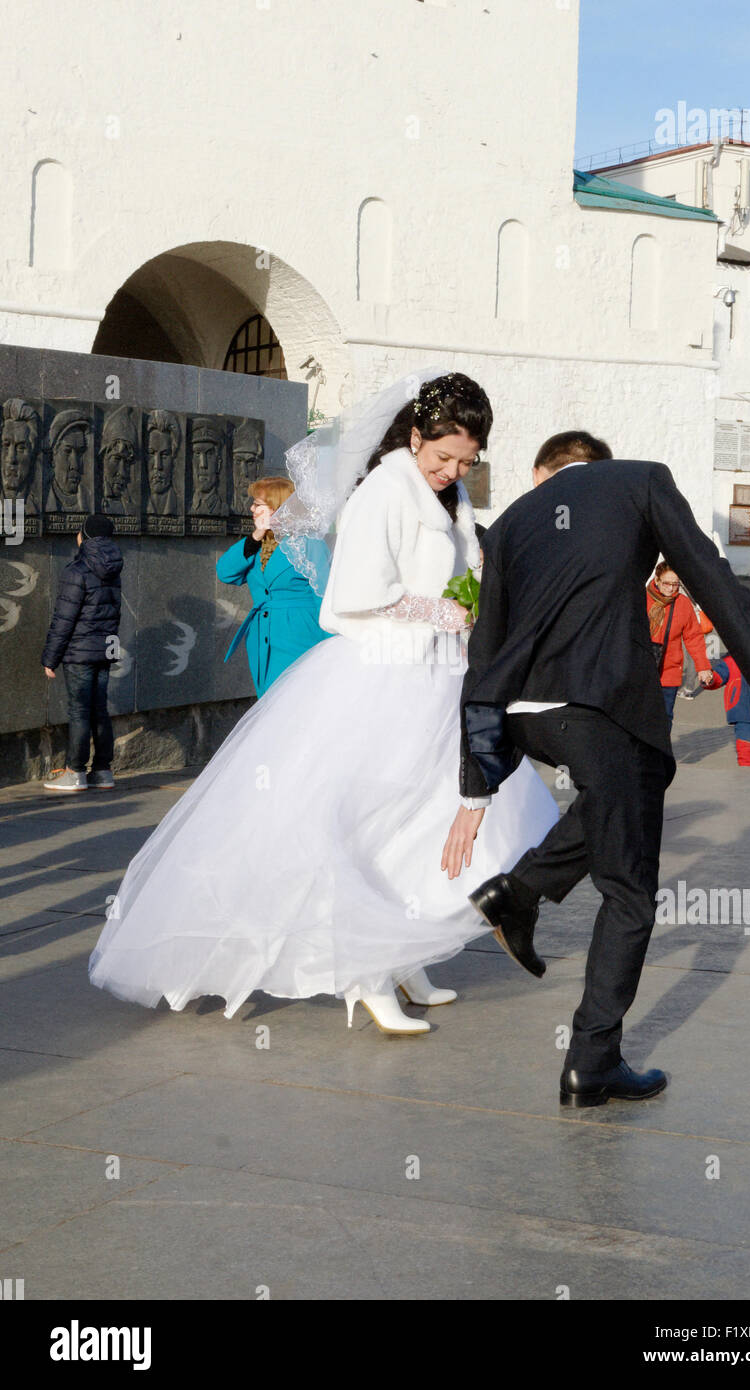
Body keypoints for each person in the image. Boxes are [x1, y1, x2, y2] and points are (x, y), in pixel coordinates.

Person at [89, 372, 559, 1034]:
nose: (453, 471)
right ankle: (365, 972)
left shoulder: (446, 500)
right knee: (370, 822)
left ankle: (402, 952)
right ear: (415, 437)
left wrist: (476, 589)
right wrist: (440, 608)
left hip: (437, 676)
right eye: (443, 457)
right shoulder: (381, 496)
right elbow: (347, 602)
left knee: (425, 824)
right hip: (384, 679)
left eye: (466, 462)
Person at [443, 442, 750, 1107]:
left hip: (528, 715)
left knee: (640, 781)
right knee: (631, 894)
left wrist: (476, 776)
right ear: (599, 461)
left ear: (553, 471)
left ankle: (520, 891)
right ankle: (593, 1060)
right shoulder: (642, 481)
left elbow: (485, 647)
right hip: (595, 706)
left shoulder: (515, 521)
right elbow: (708, 575)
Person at [216, 475, 331, 697]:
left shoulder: (308, 542)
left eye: (258, 504)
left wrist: (330, 649)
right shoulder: (256, 544)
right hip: (264, 637)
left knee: (298, 702)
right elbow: (225, 572)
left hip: (300, 635)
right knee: (270, 705)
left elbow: (324, 595)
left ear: (277, 507)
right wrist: (256, 535)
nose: (251, 508)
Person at [41, 513, 123, 792]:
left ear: (84, 537)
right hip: (105, 648)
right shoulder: (113, 567)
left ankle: (74, 771)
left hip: (79, 652)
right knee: (100, 709)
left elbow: (64, 619)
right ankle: (103, 771)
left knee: (79, 710)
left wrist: (50, 658)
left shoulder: (77, 571)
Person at [646, 562, 714, 726]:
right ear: (657, 579)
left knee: (665, 718)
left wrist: (703, 667)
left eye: (675, 584)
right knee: (639, 718)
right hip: (640, 670)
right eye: (666, 583)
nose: (670, 589)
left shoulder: (683, 604)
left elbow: (694, 637)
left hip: (669, 671)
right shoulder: (641, 598)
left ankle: (660, 752)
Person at [705, 655, 750, 766]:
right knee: (746, 745)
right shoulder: (731, 661)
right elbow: (718, 677)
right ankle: (747, 771)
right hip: (740, 709)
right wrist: (710, 679)